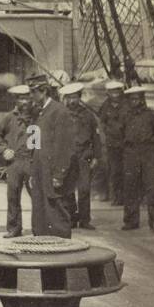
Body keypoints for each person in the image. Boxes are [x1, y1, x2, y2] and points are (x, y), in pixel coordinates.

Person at [28, 74, 76, 238]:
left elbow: (65, 146)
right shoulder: (38, 112)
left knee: (56, 209)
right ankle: (42, 245)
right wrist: (32, 171)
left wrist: (59, 174)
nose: (31, 96)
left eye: (33, 92)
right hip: (39, 171)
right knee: (40, 209)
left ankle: (62, 249)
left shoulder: (59, 112)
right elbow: (33, 143)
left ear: (43, 91)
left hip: (52, 172)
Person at [0, 85, 35, 237]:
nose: (24, 101)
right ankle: (14, 228)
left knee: (36, 195)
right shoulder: (9, 117)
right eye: (21, 98)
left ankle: (39, 228)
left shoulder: (36, 116)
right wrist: (4, 150)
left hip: (32, 161)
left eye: (27, 98)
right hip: (14, 163)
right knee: (13, 195)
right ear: (16, 100)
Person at [120, 86, 154, 232]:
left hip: (148, 153)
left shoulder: (152, 115)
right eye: (131, 99)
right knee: (130, 187)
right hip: (131, 153)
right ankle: (131, 221)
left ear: (142, 99)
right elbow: (120, 134)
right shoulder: (125, 116)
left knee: (152, 187)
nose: (134, 101)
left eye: (137, 98)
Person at [60, 82, 101, 231]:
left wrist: (97, 156)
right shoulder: (61, 114)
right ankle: (71, 217)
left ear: (79, 97)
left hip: (84, 155)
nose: (72, 101)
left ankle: (85, 219)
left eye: (75, 97)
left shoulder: (88, 115)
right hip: (67, 155)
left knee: (84, 188)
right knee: (68, 189)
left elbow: (95, 137)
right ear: (65, 99)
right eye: (69, 98)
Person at [98, 80, 126, 204]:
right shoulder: (105, 106)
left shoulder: (127, 105)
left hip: (125, 143)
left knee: (127, 170)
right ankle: (115, 196)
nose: (115, 95)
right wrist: (105, 137)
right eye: (112, 92)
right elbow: (102, 123)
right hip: (111, 144)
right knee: (114, 170)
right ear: (108, 93)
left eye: (117, 92)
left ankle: (126, 196)